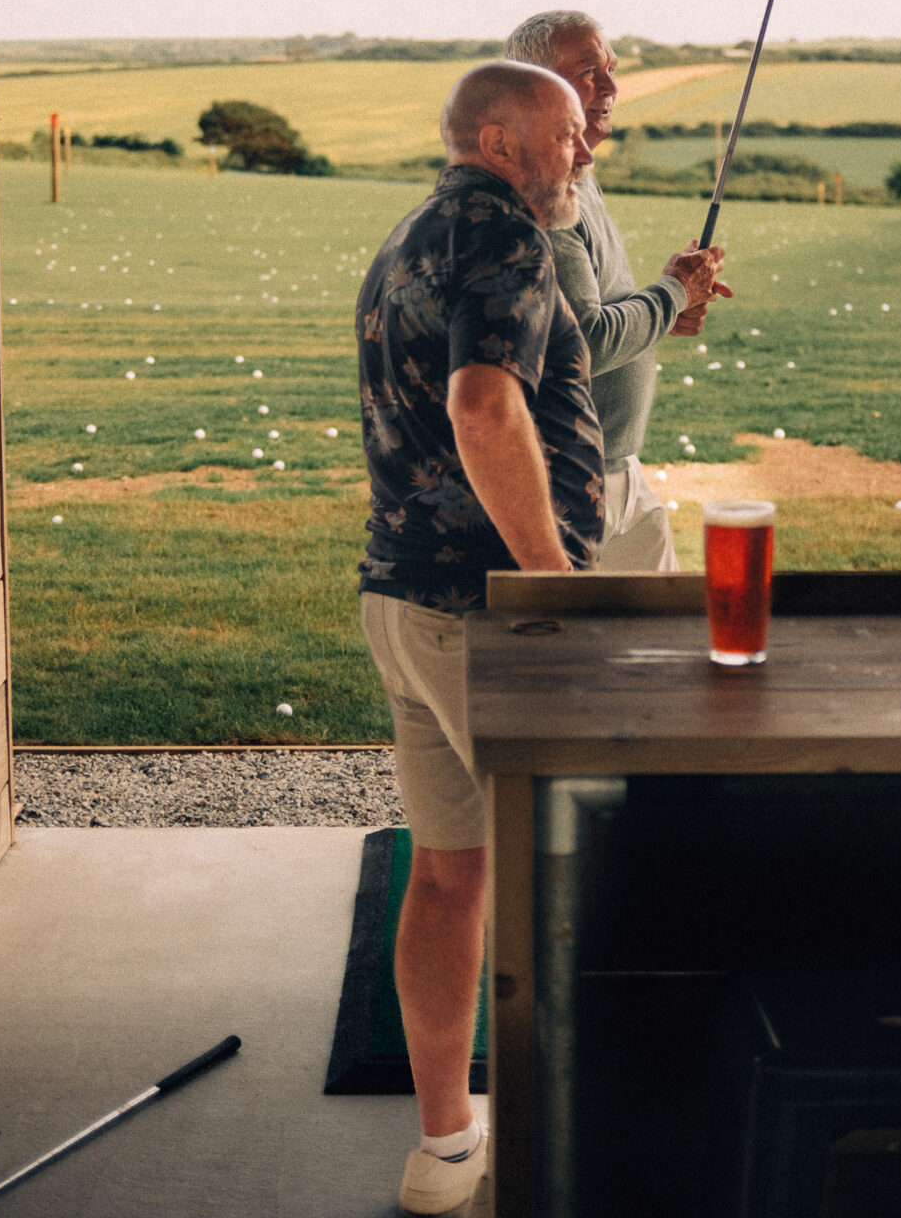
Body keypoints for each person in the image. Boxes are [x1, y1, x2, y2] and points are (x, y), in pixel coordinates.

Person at [356, 60, 605, 1216]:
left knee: (450, 877)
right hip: (487, 618)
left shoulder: (410, 232)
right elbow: (481, 402)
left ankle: (447, 1151)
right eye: (566, 135)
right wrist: (549, 581)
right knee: (563, 877)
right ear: (503, 141)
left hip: (404, 604)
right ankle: (573, 1152)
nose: (583, 153)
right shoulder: (507, 235)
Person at [505, 10, 731, 571]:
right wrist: (673, 293)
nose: (610, 87)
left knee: (670, 641)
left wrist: (662, 312)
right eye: (588, 71)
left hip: (620, 469)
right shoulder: (541, 192)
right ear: (537, 88)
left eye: (609, 68)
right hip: (567, 479)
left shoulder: (579, 173)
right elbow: (584, 342)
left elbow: (602, 308)